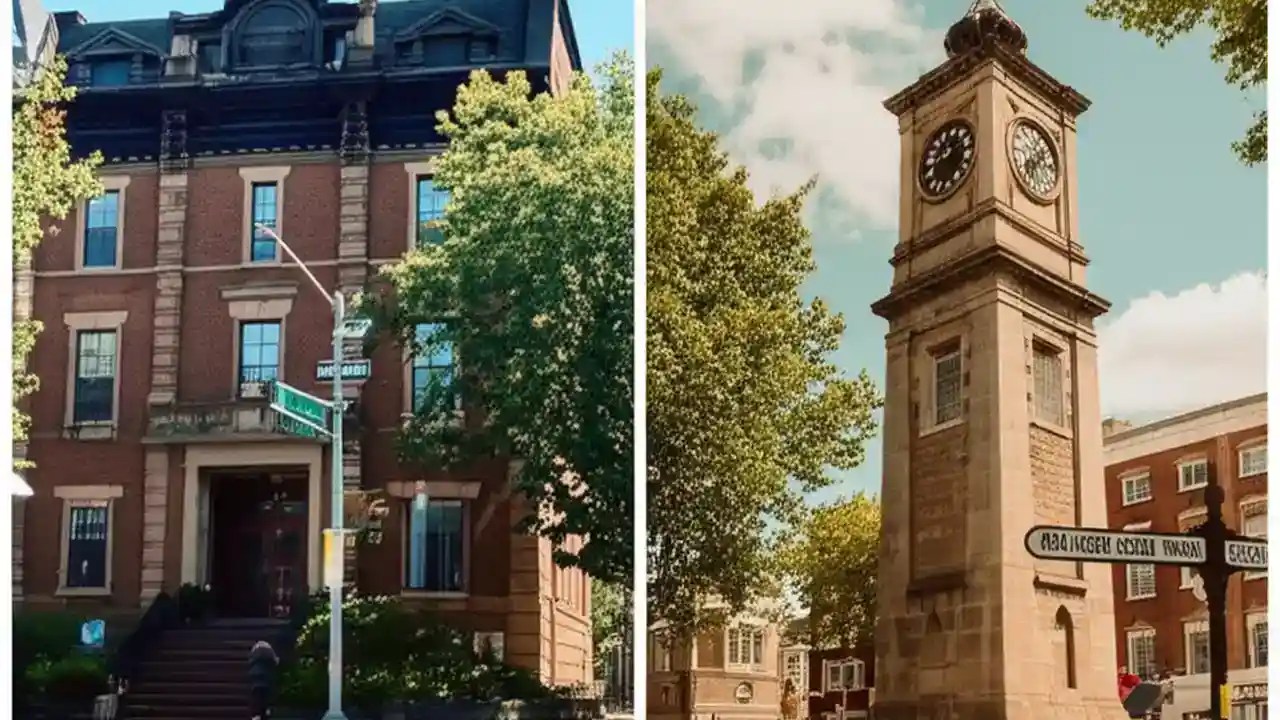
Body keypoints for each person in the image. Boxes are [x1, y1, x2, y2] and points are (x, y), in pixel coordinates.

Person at [248, 640, 280, 720]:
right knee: (265, 699)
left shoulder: (254, 659)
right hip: (266, 681)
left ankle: (256, 715)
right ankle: (266, 711)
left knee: (256, 698)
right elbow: (275, 662)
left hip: (256, 682)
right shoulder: (269, 657)